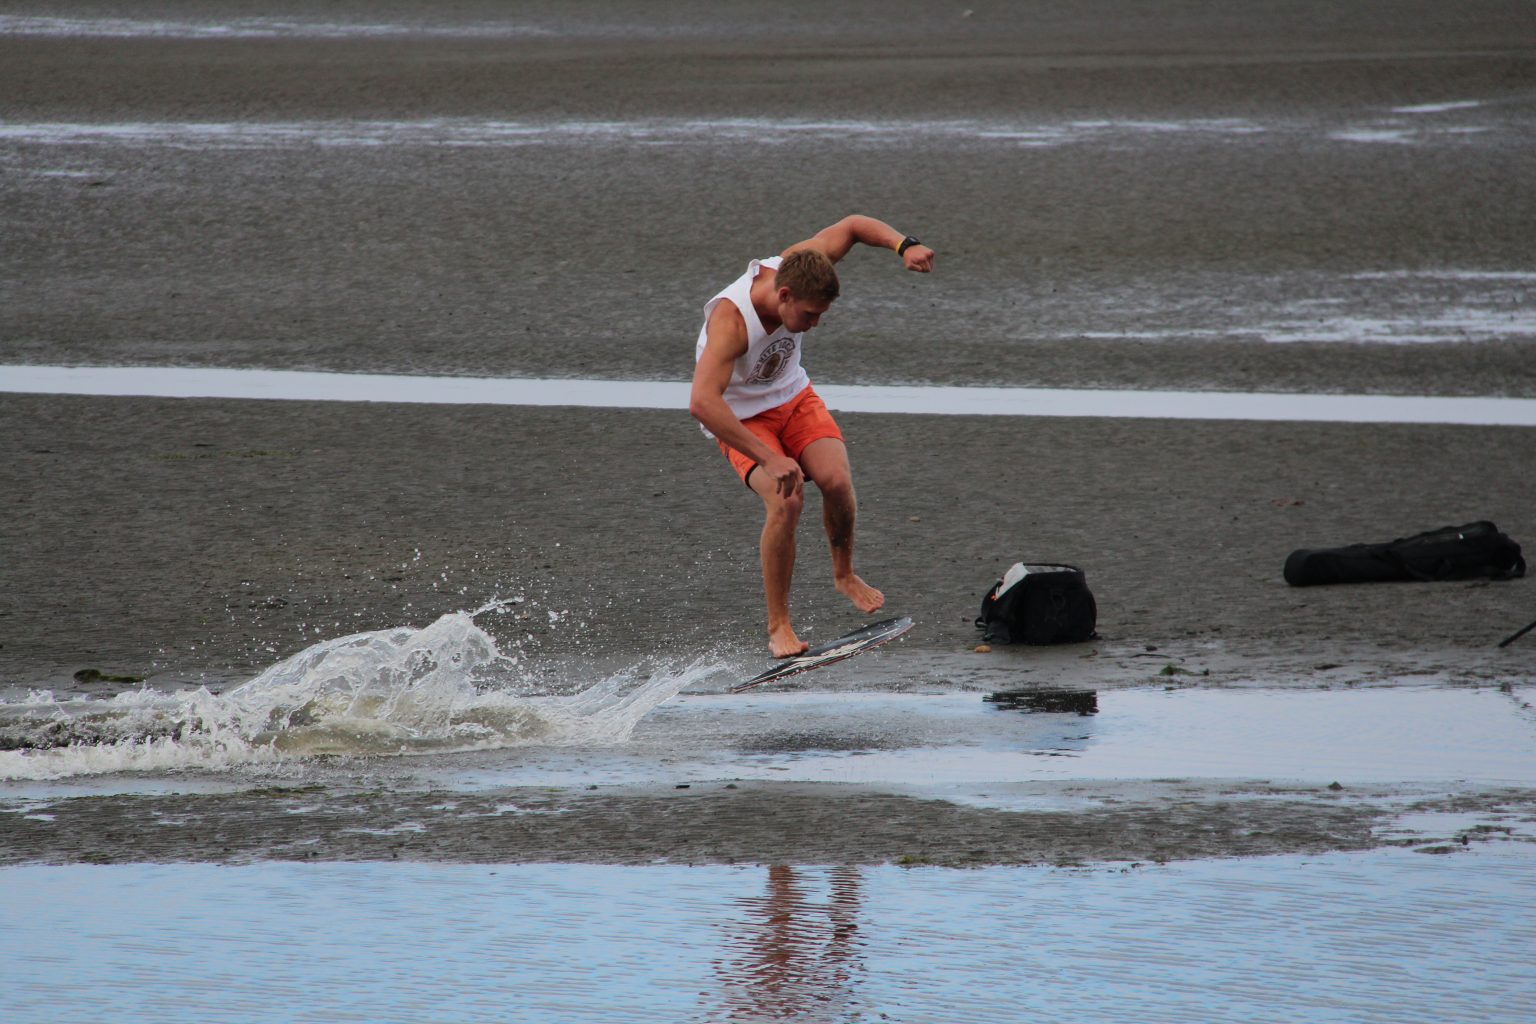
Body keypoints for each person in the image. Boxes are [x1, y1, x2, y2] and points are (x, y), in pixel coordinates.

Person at [689, 215, 936, 657]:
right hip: (742, 418)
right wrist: (768, 457)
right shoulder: (732, 321)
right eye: (809, 314)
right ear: (784, 295)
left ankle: (844, 574)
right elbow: (703, 403)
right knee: (787, 500)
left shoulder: (800, 264)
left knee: (837, 482)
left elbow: (856, 226)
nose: (815, 324)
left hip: (794, 398)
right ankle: (779, 626)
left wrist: (906, 246)